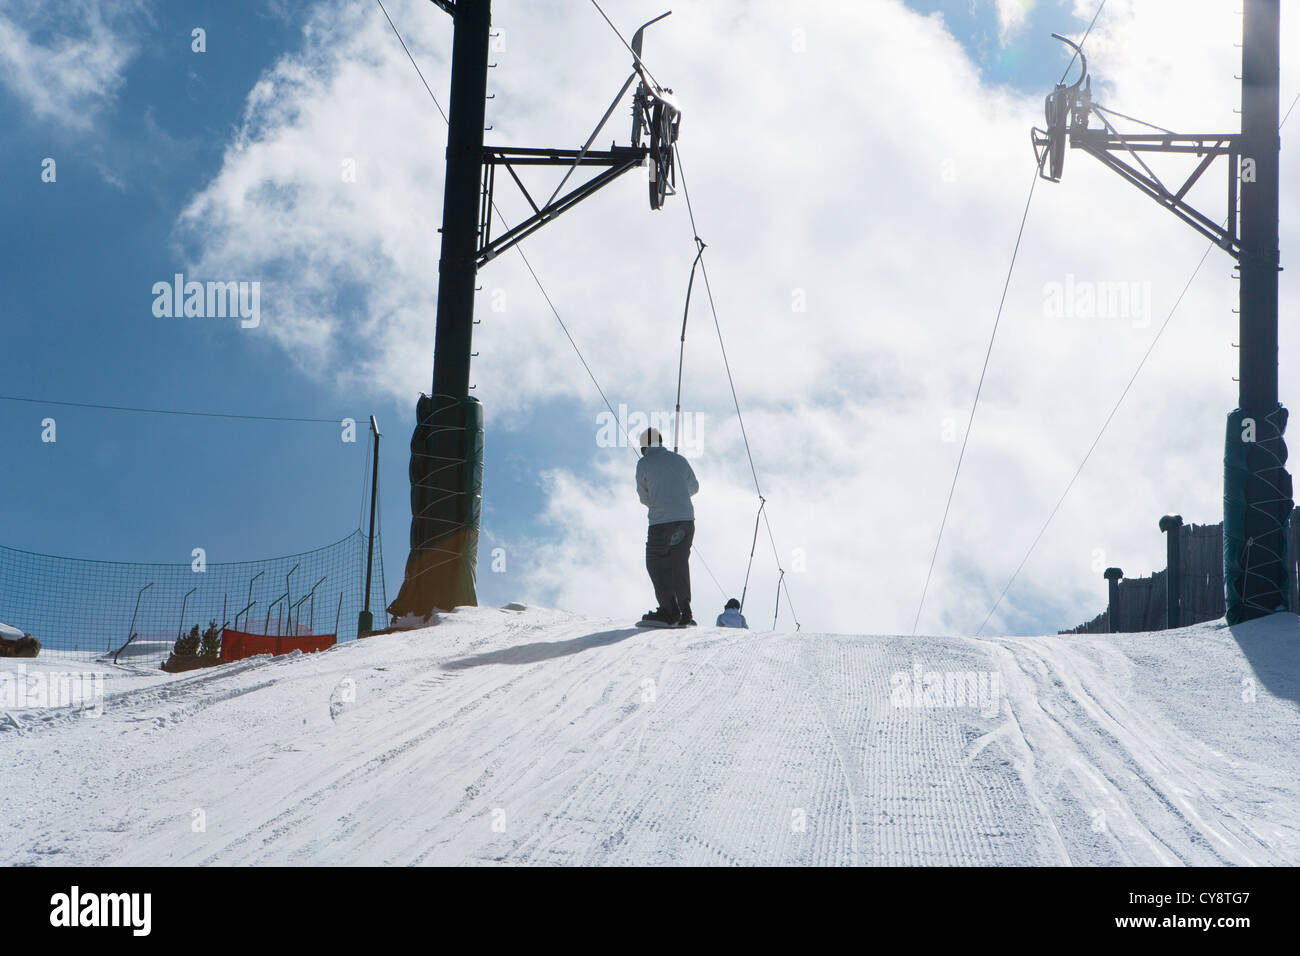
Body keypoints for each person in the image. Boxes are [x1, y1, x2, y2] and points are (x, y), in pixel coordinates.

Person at [636, 427, 699, 626]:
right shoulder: (679, 460)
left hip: (661, 523)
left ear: (644, 447)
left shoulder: (644, 463)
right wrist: (677, 495)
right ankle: (685, 613)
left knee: (656, 564)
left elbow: (644, 497)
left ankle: (669, 612)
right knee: (679, 564)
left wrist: (662, 501)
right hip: (686, 520)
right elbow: (694, 487)